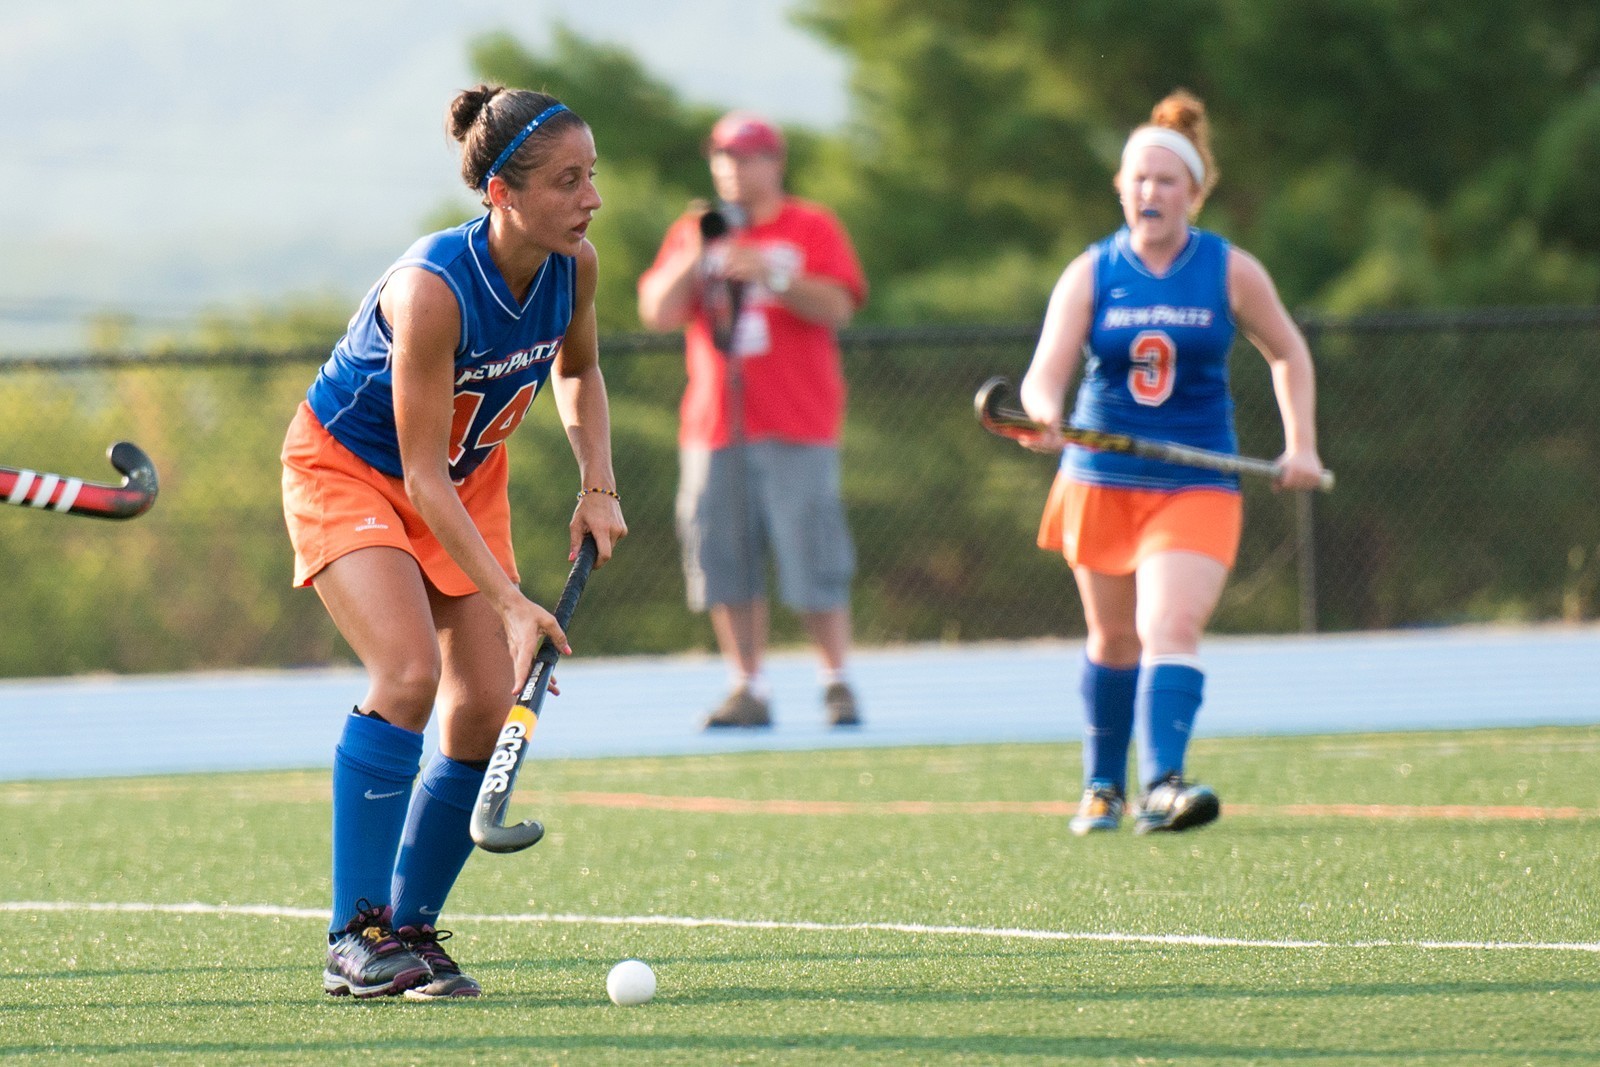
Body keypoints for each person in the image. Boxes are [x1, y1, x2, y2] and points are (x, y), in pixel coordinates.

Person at [280, 84, 627, 998]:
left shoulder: (574, 266)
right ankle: (352, 937)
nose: (589, 198)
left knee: (479, 707)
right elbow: (418, 472)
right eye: (566, 181)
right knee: (406, 675)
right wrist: (514, 600)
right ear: (501, 193)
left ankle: (410, 929)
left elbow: (581, 373)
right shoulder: (431, 289)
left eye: (591, 176)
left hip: (465, 481)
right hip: (351, 472)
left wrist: (598, 483)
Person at [1017, 90, 1323, 835]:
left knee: (1171, 622)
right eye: (1138, 179)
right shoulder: (1092, 272)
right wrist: (1045, 413)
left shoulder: (1228, 269)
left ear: (1193, 191)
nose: (1150, 192)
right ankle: (1102, 785)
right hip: (1100, 477)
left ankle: (1162, 783)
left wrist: (1301, 443)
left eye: (1166, 181)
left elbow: (1287, 350)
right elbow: (1044, 371)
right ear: (1120, 187)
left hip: (1196, 479)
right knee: (1114, 639)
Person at [637, 111, 868, 730]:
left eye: (746, 157)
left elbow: (840, 304)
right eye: (723, 158)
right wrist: (700, 253)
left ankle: (836, 681)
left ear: (774, 163)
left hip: (797, 421)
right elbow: (657, 310)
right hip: (716, 426)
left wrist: (771, 269)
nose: (734, 170)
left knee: (812, 554)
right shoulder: (695, 229)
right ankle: (748, 685)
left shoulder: (810, 225)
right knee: (723, 557)